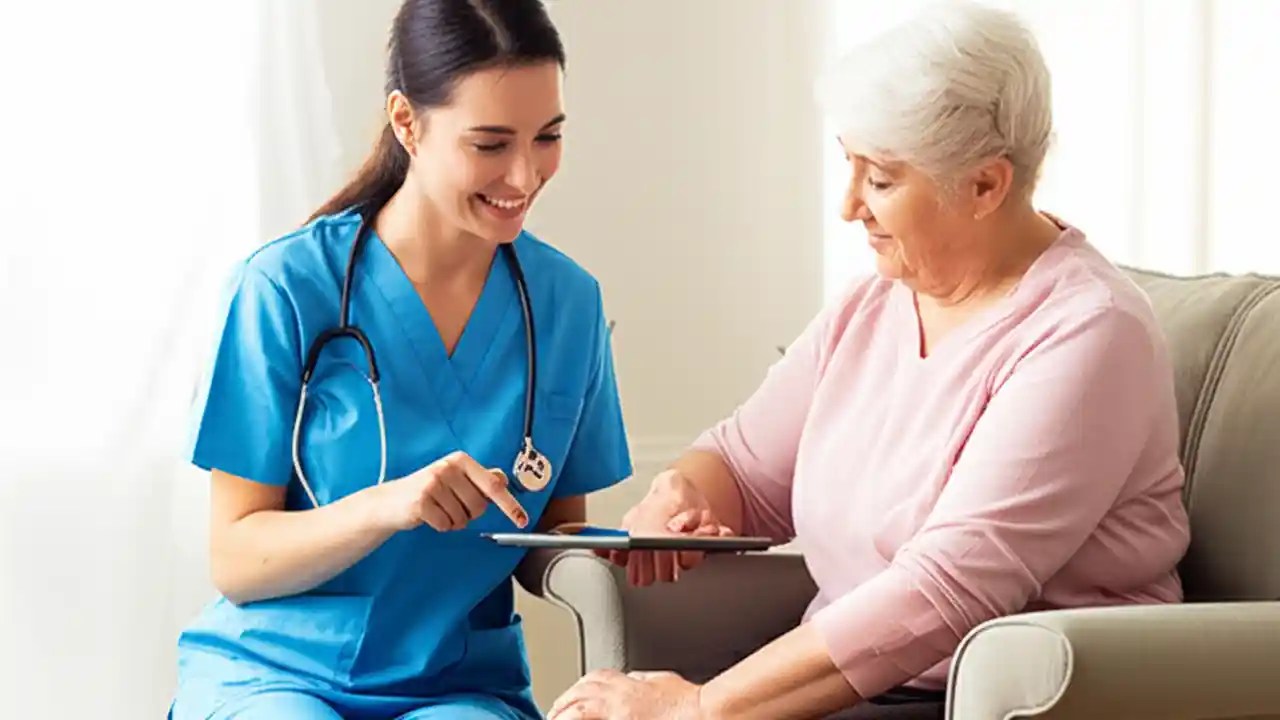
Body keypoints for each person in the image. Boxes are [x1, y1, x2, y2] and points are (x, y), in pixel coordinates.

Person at [548, 3, 1191, 719]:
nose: (849, 205)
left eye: (881, 179)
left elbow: (945, 592)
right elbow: (740, 464)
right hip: (869, 689)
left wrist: (698, 709)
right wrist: (681, 494)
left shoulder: (1089, 333)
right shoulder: (873, 305)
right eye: (846, 165)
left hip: (997, 699)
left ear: (986, 185)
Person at [169, 1, 632, 718]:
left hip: (456, 684)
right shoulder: (286, 289)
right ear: (407, 122)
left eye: (547, 137)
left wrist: (652, 540)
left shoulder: (566, 304)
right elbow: (235, 561)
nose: (524, 173)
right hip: (276, 674)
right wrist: (387, 507)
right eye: (489, 143)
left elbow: (553, 541)